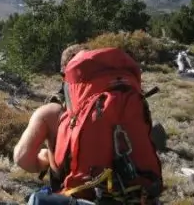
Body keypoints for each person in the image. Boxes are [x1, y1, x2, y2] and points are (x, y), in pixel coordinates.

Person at [13, 44, 163, 205]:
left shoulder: (50, 113)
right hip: (137, 196)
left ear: (66, 75)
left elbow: (22, 159)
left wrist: (47, 158)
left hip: (80, 197)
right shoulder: (126, 105)